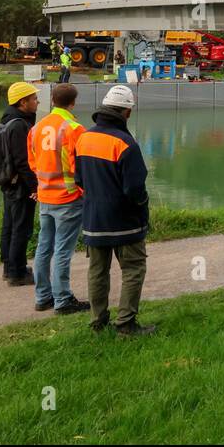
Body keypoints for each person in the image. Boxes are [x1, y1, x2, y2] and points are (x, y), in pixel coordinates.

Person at [75, 85, 154, 336]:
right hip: (125, 222)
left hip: (93, 219)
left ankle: (98, 322)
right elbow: (135, 188)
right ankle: (126, 324)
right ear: (127, 112)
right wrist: (142, 206)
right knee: (133, 269)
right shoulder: (126, 144)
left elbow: (79, 180)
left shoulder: (84, 138)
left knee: (97, 271)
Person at [29, 83, 90, 315]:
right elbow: (82, 165)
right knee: (63, 250)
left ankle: (42, 296)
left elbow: (33, 162)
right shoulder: (75, 128)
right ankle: (63, 300)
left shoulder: (36, 128)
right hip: (68, 197)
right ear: (73, 103)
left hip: (45, 197)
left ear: (52, 101)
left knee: (44, 248)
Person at [0, 82, 40, 285]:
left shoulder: (8, 120)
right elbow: (23, 162)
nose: (37, 102)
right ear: (23, 102)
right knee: (21, 228)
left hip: (10, 183)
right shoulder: (18, 125)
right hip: (20, 185)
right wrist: (35, 187)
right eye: (34, 99)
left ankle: (9, 267)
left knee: (9, 225)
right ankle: (17, 273)